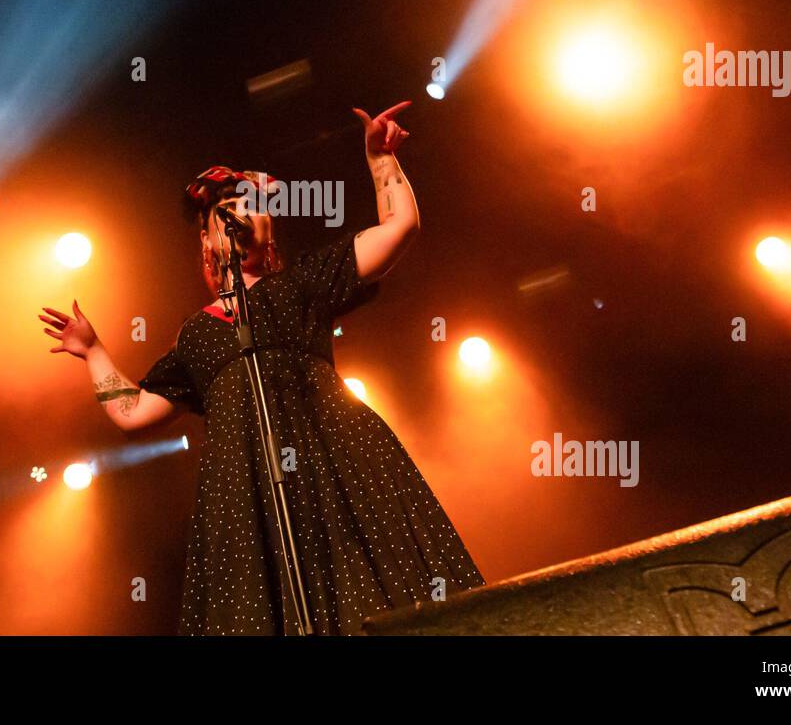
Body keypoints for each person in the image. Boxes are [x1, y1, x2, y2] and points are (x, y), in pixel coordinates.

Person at [38, 102, 484, 634]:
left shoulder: (302, 284)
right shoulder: (196, 334)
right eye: (225, 209)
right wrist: (94, 353)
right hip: (244, 492)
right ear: (206, 238)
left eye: (252, 206)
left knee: (375, 594)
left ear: (269, 228)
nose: (240, 214)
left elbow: (399, 226)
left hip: (334, 459)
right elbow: (133, 412)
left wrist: (381, 159)